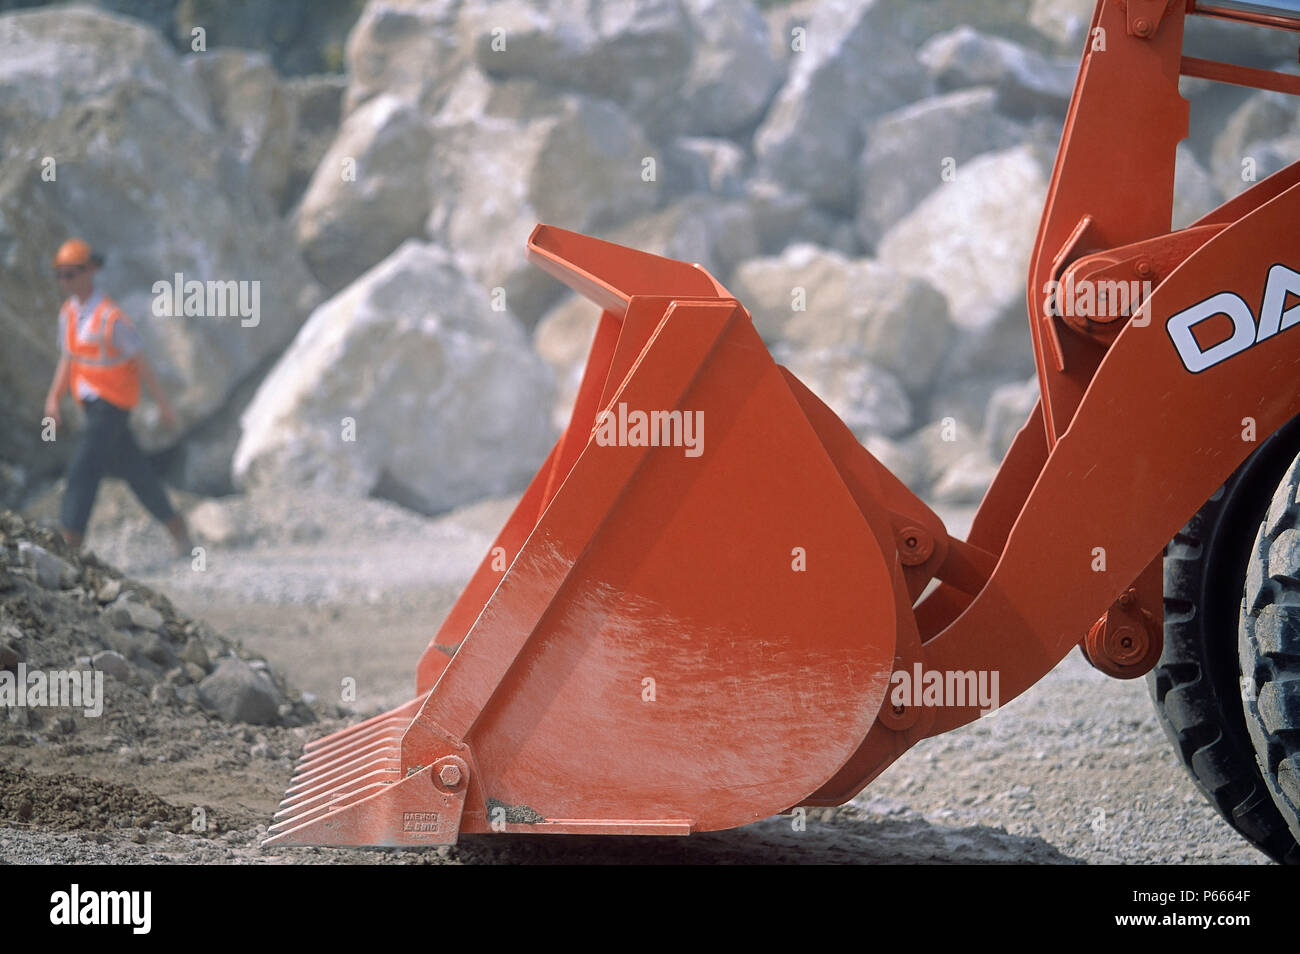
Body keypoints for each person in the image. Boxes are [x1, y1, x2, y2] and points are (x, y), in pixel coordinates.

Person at [42, 238, 192, 557]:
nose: (66, 281)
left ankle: (70, 543)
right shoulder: (68, 314)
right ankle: (177, 527)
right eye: (61, 275)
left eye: (72, 274)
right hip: (90, 405)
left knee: (84, 468)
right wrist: (53, 400)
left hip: (113, 405)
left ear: (90, 272)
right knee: (135, 471)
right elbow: (68, 359)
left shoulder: (112, 318)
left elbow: (141, 363)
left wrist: (164, 407)